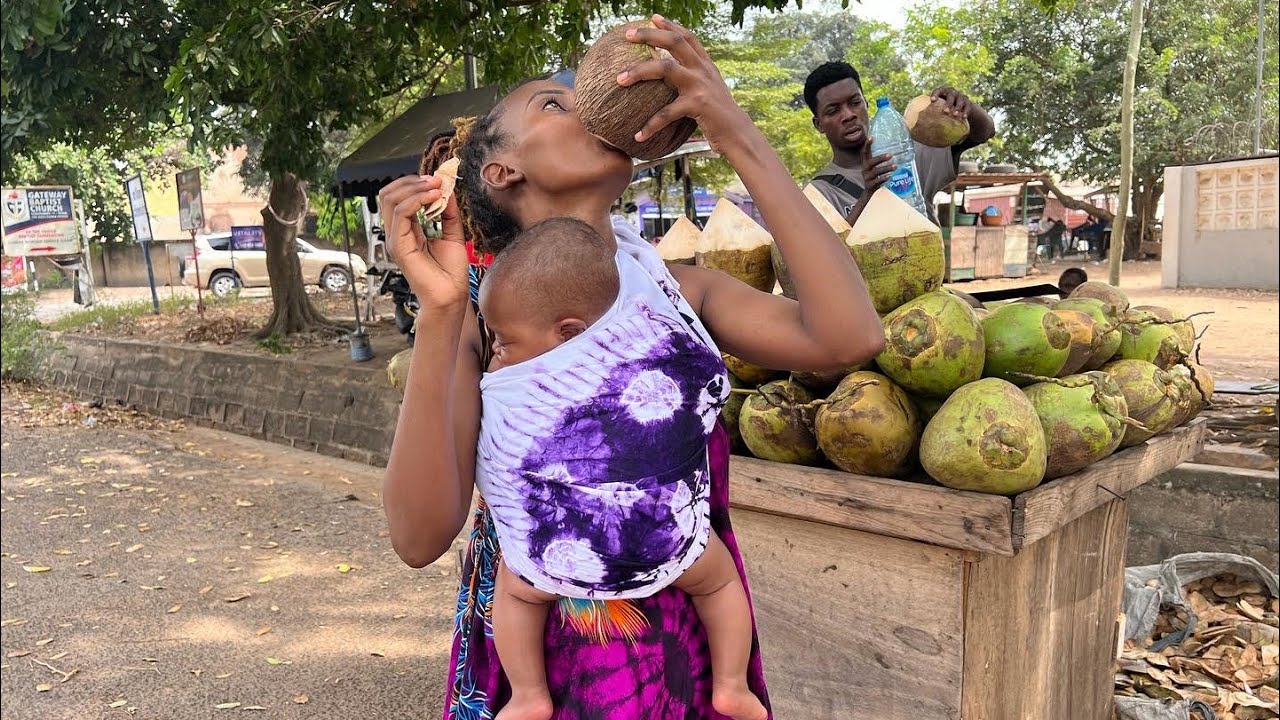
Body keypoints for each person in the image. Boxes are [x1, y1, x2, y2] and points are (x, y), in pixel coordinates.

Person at [377, 16, 884, 720]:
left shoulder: (680, 291)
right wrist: (436, 314)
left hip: (686, 655)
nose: (581, 103)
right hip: (542, 674)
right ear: (502, 171)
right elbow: (418, 537)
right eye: (552, 104)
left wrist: (734, 131)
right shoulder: (480, 324)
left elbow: (849, 336)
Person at [477, 217, 765, 720]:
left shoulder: (513, 384)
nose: (497, 352)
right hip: (664, 537)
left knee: (516, 593)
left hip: (556, 551)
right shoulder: (652, 349)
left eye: (503, 339)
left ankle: (527, 695)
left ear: (567, 332)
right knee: (719, 584)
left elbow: (499, 457)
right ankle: (731, 685)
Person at [804, 61, 996, 226]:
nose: (848, 115)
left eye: (855, 103)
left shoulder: (907, 156)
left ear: (866, 104)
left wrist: (964, 108)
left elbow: (985, 132)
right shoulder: (819, 194)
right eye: (833, 110)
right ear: (818, 124)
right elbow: (828, 257)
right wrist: (869, 195)